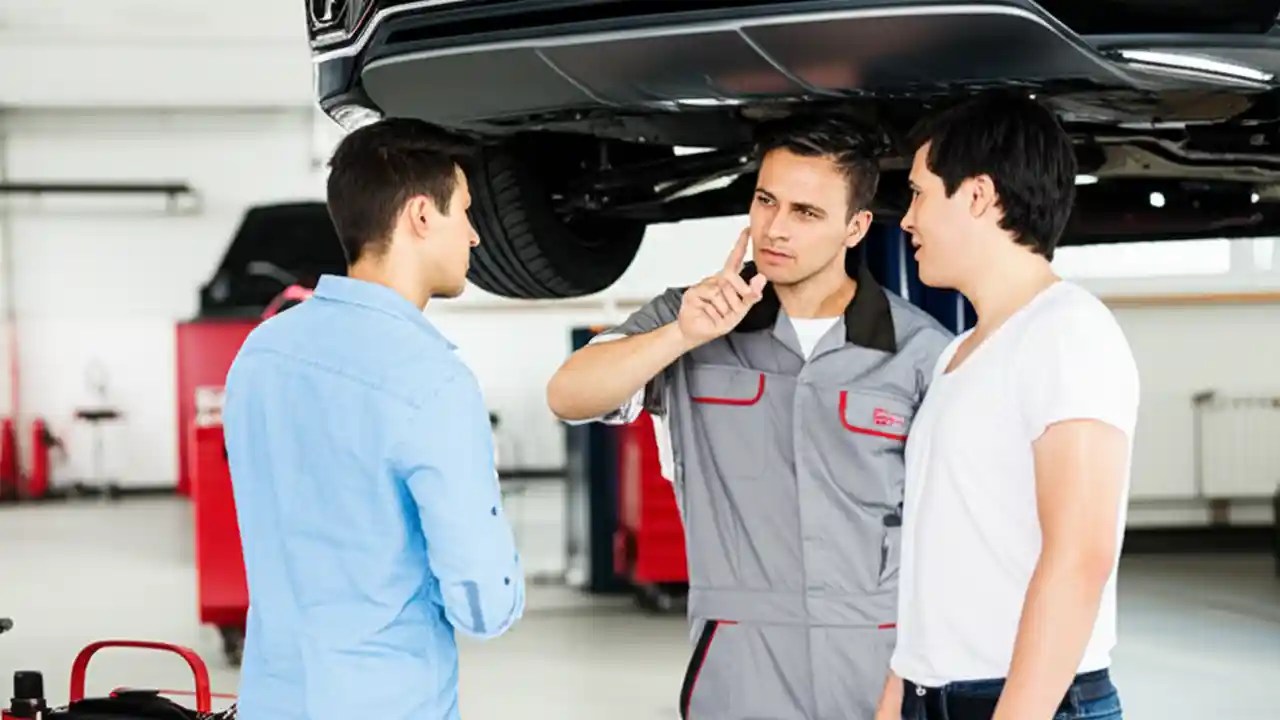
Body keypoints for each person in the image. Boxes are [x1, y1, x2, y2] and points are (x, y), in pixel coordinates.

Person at [547, 115, 953, 720]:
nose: (774, 229)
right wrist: (681, 336)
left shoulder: (920, 350)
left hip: (879, 664)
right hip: (739, 667)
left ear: (856, 227)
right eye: (766, 201)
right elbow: (568, 394)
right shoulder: (692, 316)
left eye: (806, 213)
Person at [222, 118, 525, 720]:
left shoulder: (260, 352)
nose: (473, 237)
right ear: (419, 215)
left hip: (272, 698)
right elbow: (484, 606)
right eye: (464, 212)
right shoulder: (432, 379)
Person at [879, 94, 1139, 720]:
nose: (907, 220)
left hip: (1026, 701)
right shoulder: (958, 354)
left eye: (918, 194)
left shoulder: (1068, 330)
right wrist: (897, 699)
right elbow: (937, 556)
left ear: (977, 196)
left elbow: (1080, 556)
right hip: (931, 695)